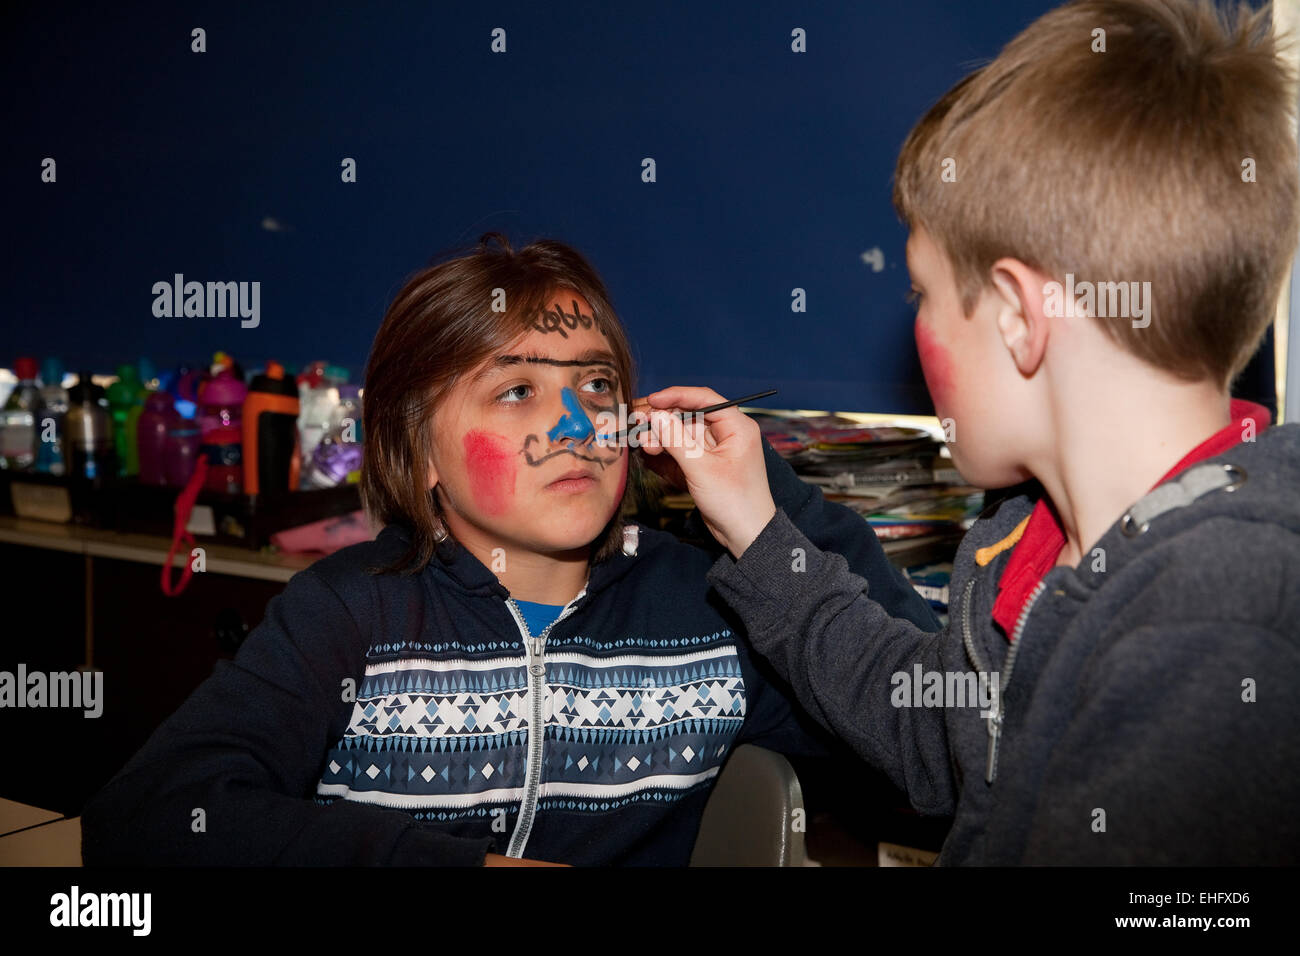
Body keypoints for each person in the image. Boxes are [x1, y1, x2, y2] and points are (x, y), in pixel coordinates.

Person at [640, 0, 1300, 864]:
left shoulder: (1214, 615)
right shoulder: (1028, 542)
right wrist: (758, 532)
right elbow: (932, 737)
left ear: (1021, 318)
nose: (914, 323)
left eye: (921, 293)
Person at [79, 234, 940, 866]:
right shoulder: (350, 613)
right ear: (420, 456)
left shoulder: (712, 613)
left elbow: (915, 731)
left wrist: (767, 510)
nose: (575, 424)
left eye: (597, 385)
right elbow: (147, 816)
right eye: (518, 390)